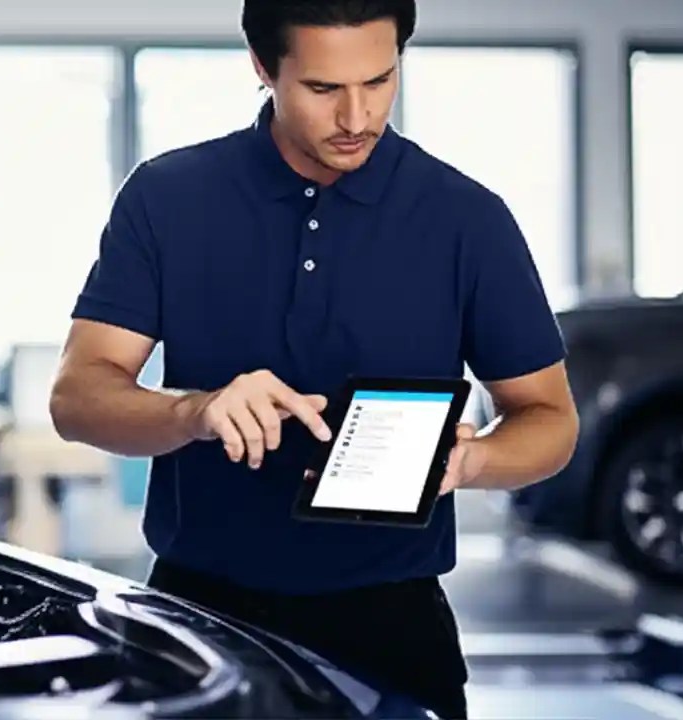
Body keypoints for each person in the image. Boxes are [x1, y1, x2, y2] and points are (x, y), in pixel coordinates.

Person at [48, 1, 580, 717]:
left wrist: (473, 461)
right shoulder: (166, 197)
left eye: (380, 80)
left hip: (394, 632)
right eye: (324, 89)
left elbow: (550, 419)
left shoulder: (468, 218)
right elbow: (77, 396)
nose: (357, 117)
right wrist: (195, 411)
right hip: (197, 623)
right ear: (263, 66)